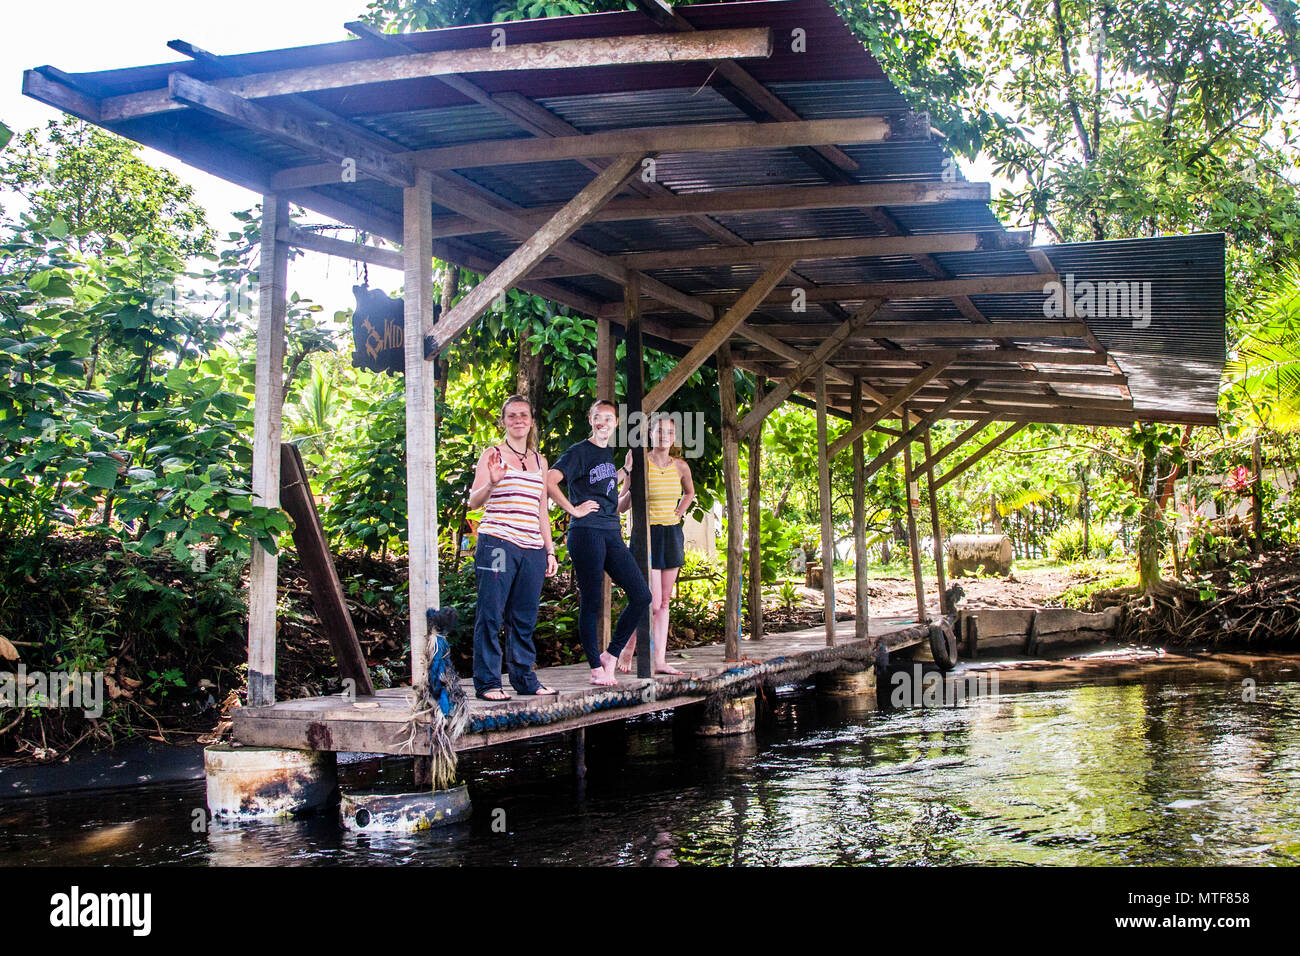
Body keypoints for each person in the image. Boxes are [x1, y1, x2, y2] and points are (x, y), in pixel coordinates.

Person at [547, 399, 653, 686]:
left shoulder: (606, 452)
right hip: (586, 532)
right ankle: (595, 667)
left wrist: (626, 471)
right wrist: (573, 509)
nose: (602, 423)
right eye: (597, 417)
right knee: (592, 601)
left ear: (615, 424)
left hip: (611, 531)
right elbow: (549, 479)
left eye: (608, 418)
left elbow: (602, 483)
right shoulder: (578, 451)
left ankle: (610, 655)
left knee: (642, 595)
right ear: (590, 420)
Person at [466, 395, 558, 701]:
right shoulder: (491, 455)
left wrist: (550, 550)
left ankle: (524, 679)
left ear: (531, 421)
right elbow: (474, 502)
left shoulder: (539, 461)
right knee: (491, 613)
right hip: (498, 542)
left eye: (524, 415)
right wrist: (492, 483)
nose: (518, 420)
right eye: (512, 416)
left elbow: (541, 509)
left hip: (532, 547)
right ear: (503, 421)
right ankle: (489, 682)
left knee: (524, 616)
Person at [617, 413, 694, 675]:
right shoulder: (639, 462)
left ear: (674, 437)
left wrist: (680, 511)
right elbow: (622, 504)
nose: (663, 437)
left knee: (664, 602)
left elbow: (689, 492)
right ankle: (629, 646)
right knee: (649, 598)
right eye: (658, 432)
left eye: (669, 433)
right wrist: (628, 486)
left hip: (671, 535)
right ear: (650, 434)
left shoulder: (681, 466)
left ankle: (659, 660)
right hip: (645, 535)